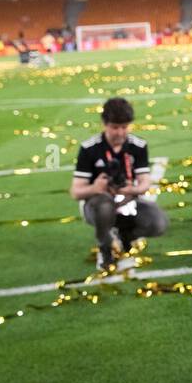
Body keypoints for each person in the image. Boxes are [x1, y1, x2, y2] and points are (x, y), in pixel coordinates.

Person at [71, 97, 169, 270]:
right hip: (98, 204)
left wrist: (132, 189)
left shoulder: (138, 145)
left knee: (159, 223)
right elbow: (76, 191)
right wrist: (95, 188)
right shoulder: (89, 148)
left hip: (128, 201)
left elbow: (145, 182)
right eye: (115, 127)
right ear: (104, 124)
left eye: (124, 127)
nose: (120, 133)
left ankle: (126, 233)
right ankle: (105, 245)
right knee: (104, 206)